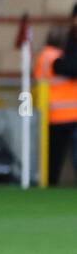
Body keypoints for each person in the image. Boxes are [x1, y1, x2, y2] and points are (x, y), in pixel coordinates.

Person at [35, 22, 77, 185]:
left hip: (51, 114)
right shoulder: (59, 57)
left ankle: (49, 183)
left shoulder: (43, 56)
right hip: (69, 113)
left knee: (53, 156)